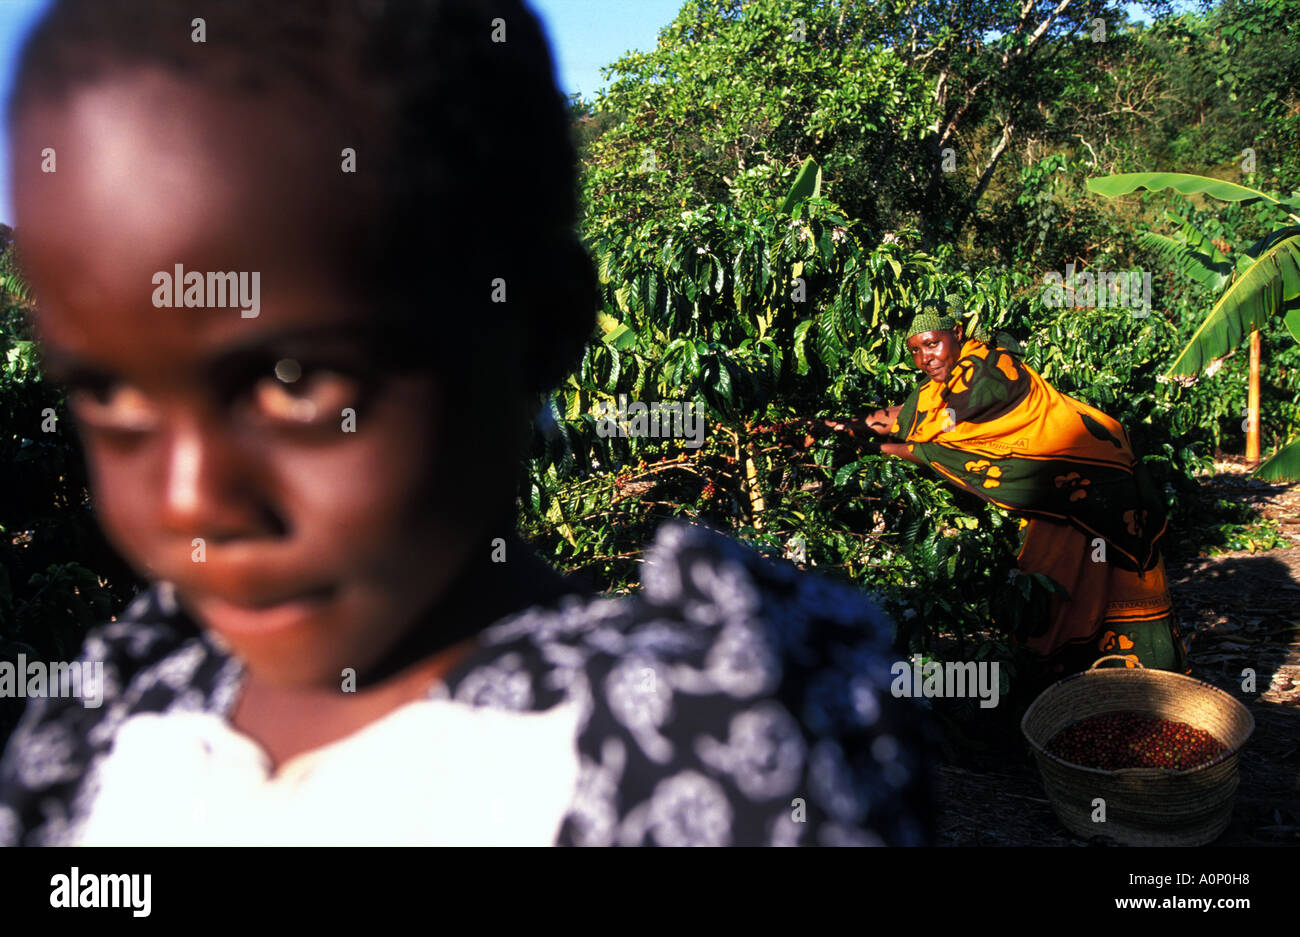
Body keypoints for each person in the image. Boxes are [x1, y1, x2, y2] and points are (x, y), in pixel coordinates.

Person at [0, 0, 935, 846]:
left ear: (543, 328)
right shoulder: (105, 733)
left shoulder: (717, 758)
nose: (191, 500)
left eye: (294, 382)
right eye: (110, 394)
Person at [818, 311, 1191, 681]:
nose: (924, 358)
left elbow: (942, 444)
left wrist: (868, 451)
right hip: (1062, 488)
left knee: (1086, 577)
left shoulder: (984, 373)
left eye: (932, 344)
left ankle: (1137, 684)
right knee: (1061, 574)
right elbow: (910, 418)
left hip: (1095, 476)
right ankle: (1074, 690)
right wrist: (838, 427)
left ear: (958, 334)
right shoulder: (946, 382)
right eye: (915, 351)